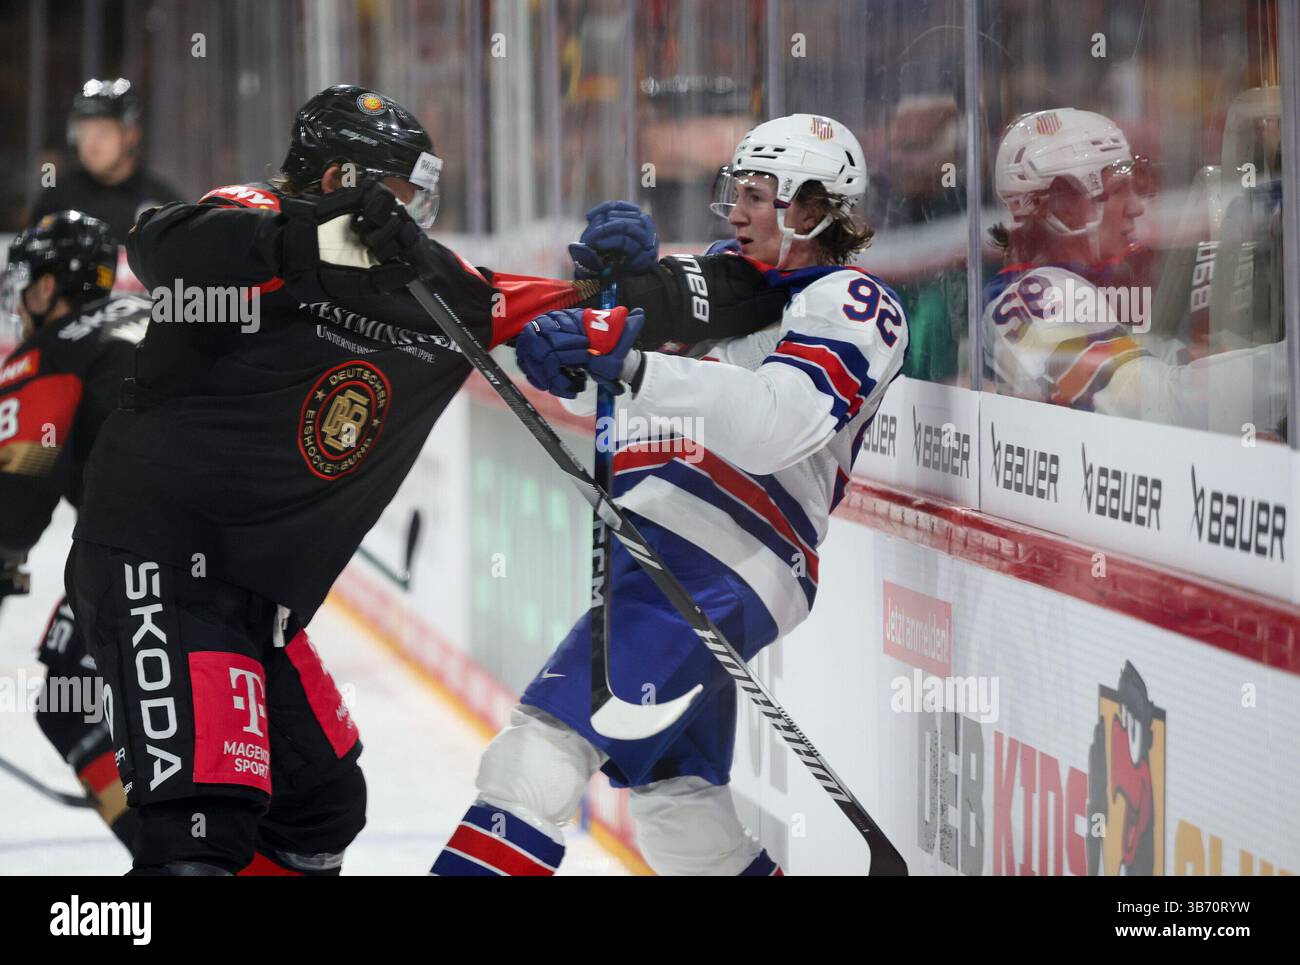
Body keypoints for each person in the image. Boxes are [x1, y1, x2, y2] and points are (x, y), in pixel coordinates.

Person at [65, 85, 790, 876]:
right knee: (197, 837)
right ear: (345, 177)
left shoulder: (432, 288)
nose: (413, 213)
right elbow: (164, 246)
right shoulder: (252, 222)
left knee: (319, 808)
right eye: (403, 192)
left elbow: (622, 310)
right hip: (162, 568)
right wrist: (318, 233)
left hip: (259, 604)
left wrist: (655, 279)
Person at [431, 114, 909, 876]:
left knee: (537, 758)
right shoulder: (723, 280)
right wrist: (578, 343)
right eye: (737, 193)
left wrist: (631, 367)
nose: (739, 211)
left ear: (815, 208)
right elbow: (614, 396)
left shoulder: (852, 302)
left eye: (762, 196)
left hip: (729, 559)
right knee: (679, 806)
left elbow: (776, 424)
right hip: (660, 549)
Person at [984, 108, 1287, 432]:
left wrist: (1203, 356)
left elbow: (1149, 356)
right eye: (1118, 190)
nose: (1136, 206)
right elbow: (1161, 407)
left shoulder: (1050, 290)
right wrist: (1286, 366)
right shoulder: (1037, 300)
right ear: (1063, 204)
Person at [0, 211, 151, 857]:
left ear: (45, 290)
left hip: (154, 553)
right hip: (253, 538)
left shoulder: (53, 349)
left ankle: (172, 854)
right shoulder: (148, 313)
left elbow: (16, 498)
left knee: (70, 697)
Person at [29, 79, 183, 246]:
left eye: (103, 131)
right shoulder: (57, 200)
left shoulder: (161, 203)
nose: (91, 144)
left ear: (131, 134)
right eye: (83, 132)